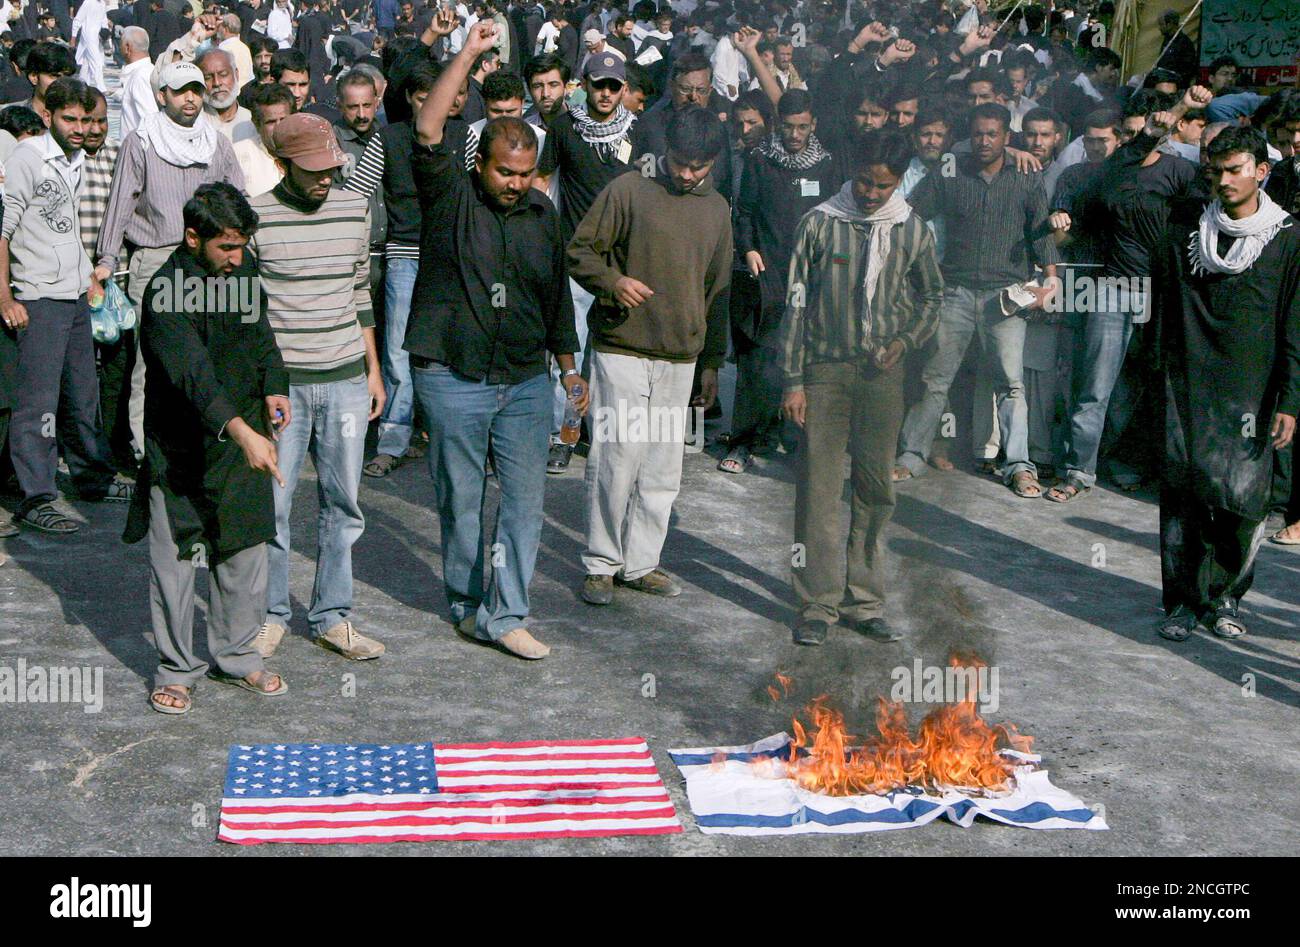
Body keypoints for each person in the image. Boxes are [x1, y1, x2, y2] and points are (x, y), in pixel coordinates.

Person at [409, 21, 581, 660]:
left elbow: (557, 298)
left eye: (527, 172)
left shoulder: (543, 215)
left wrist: (568, 370)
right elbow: (428, 129)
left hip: (526, 382)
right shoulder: (450, 197)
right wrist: (471, 52)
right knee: (461, 499)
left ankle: (507, 612)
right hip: (453, 376)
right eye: (505, 172)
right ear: (479, 163)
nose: (516, 183)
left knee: (525, 502)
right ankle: (465, 600)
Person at [124, 182, 290, 715]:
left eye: (243, 246)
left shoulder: (240, 272)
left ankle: (238, 656)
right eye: (227, 247)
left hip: (243, 441)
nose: (238, 258)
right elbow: (193, 375)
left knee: (244, 551)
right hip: (181, 446)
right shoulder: (164, 293)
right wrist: (243, 432)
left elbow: (260, 333)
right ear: (193, 237)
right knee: (176, 563)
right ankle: (176, 668)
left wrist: (274, 384)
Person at [780, 129, 943, 646]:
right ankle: (817, 604)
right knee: (820, 491)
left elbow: (932, 299)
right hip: (824, 375)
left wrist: (904, 341)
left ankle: (864, 601)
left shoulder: (913, 230)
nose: (871, 194)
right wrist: (793, 381)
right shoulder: (819, 225)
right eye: (865, 183)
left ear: (899, 181)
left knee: (876, 491)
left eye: (884, 186)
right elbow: (796, 306)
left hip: (881, 380)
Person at [569, 105, 732, 606]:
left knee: (663, 467)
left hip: (681, 356)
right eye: (681, 163)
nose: (687, 175)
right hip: (621, 346)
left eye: (698, 167)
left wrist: (710, 364)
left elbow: (718, 289)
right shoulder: (627, 191)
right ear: (666, 152)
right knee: (617, 456)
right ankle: (601, 563)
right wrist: (613, 282)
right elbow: (579, 251)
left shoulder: (718, 210)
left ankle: (641, 563)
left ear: (713, 162)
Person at [248, 112, 386, 661]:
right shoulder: (256, 217)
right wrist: (259, 384)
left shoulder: (356, 209)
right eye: (313, 170)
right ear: (283, 165)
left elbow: (360, 296)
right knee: (274, 505)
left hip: (348, 379)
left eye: (331, 166)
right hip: (284, 389)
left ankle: (333, 615)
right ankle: (270, 614)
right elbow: (250, 311)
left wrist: (373, 370)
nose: (326, 177)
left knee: (343, 502)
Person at [1152, 125, 1299, 641]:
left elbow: (1295, 324)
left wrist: (1290, 399)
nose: (1224, 180)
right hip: (1187, 381)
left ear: (1262, 171)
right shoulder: (1187, 227)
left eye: (1236, 169)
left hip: (1252, 391)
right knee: (1184, 497)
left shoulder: (1287, 238)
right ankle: (1182, 605)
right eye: (1216, 171)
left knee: (1241, 501)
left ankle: (1225, 599)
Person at [894, 102, 1061, 498]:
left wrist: (1051, 282)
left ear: (1007, 137)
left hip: (1007, 296)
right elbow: (911, 215)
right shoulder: (951, 170)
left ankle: (1019, 465)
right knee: (934, 378)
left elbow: (1041, 231)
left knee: (1010, 384)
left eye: (993, 134)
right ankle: (911, 455)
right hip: (954, 290)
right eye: (979, 134)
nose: (984, 141)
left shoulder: (1025, 175)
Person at [94, 60, 246, 462]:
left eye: (196, 89)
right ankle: (148, 451)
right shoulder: (141, 141)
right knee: (152, 360)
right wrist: (106, 259)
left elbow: (237, 199)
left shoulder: (216, 142)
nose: (191, 98)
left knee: (211, 353)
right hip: (157, 258)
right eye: (180, 91)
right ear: (162, 96)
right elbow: (122, 201)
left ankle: (209, 440)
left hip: (208, 261)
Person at [0, 78, 130, 535]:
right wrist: (5, 296)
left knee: (82, 392)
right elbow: (2, 229)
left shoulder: (73, 159)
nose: (80, 129)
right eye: (70, 119)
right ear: (47, 117)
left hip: (74, 293)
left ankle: (92, 478)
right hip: (37, 296)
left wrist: (89, 276)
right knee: (38, 402)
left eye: (88, 120)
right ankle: (35, 496)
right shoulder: (27, 159)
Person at [723, 87, 837, 475]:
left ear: (813, 125)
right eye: (788, 127)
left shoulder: (826, 166)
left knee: (803, 358)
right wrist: (749, 249)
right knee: (759, 356)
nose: (794, 135)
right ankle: (744, 440)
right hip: (767, 272)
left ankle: (793, 438)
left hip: (812, 275)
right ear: (778, 126)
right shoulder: (760, 161)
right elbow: (745, 213)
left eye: (802, 127)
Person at [535, 49, 636, 473]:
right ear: (585, 86)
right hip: (576, 260)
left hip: (622, 264)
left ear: (624, 89)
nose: (606, 94)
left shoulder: (639, 132)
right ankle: (564, 434)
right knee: (569, 351)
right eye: (599, 85)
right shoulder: (563, 128)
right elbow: (541, 182)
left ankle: (601, 434)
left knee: (612, 356)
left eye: (614, 86)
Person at [345, 59, 443, 479]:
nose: (434, 106)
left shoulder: (462, 137)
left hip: (450, 256)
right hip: (403, 253)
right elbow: (354, 192)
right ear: (408, 98)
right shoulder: (387, 139)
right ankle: (393, 440)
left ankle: (449, 438)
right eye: (424, 98)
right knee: (398, 354)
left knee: (450, 353)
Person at [234, 80, 293, 196]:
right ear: (257, 124)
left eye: (284, 119)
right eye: (271, 122)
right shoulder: (237, 155)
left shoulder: (307, 150)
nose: (279, 127)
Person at [199, 48, 257, 144]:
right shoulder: (194, 123)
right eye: (207, 78)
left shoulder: (252, 121)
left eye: (223, 74)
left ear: (236, 75)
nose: (217, 83)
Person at [118, 25, 156, 138]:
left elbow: (150, 119)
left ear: (127, 47)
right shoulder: (147, 70)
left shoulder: (140, 76)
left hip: (137, 150)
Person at [69, 0, 107, 93]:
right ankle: (101, 87)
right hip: (88, 34)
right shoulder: (88, 2)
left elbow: (104, 19)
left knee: (87, 62)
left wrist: (105, 33)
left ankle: (83, 84)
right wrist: (73, 37)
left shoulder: (102, 3)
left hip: (97, 36)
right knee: (96, 61)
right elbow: (78, 19)